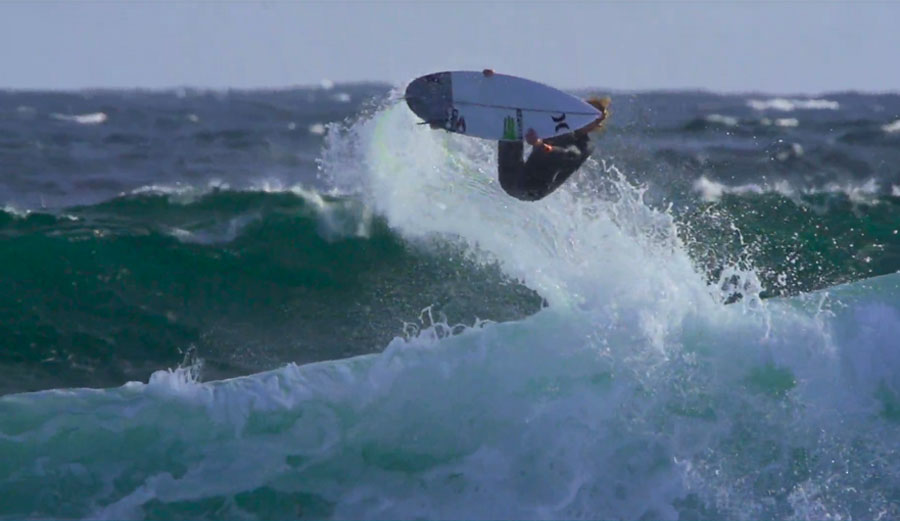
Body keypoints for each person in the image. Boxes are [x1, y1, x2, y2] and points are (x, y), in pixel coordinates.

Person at [498, 95, 610, 201]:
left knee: (560, 143)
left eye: (592, 119)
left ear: (597, 125)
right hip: (511, 180)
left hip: (531, 189)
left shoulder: (585, 145)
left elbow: (568, 153)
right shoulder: (557, 124)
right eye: (584, 113)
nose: (585, 119)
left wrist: (540, 145)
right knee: (511, 127)